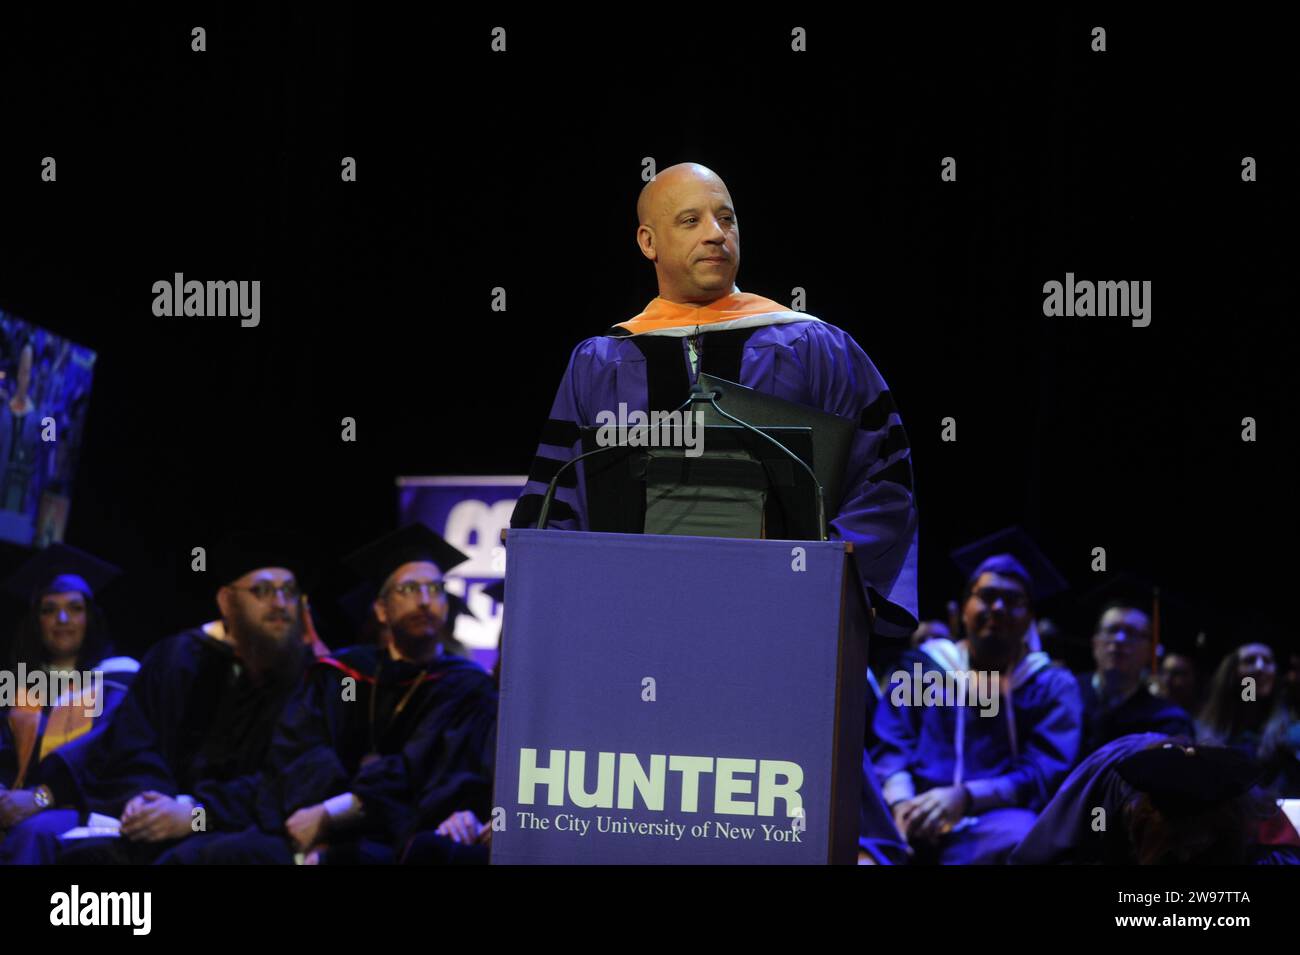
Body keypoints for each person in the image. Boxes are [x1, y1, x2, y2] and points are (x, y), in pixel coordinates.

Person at [510, 162, 919, 637]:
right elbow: (557, 505)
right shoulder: (601, 362)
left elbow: (884, 481)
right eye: (691, 221)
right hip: (631, 623)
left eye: (726, 219)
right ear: (648, 242)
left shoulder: (815, 346)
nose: (716, 234)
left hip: (782, 622)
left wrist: (817, 567)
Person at [167, 524, 498, 865]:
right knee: (206, 857)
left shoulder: (467, 688)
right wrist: (323, 819)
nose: (425, 601)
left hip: (400, 837)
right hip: (312, 827)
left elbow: (435, 776)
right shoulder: (339, 674)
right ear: (382, 610)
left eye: (435, 589)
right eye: (410, 588)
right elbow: (299, 757)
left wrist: (338, 812)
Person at [47, 531, 316, 864]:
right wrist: (147, 800)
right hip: (168, 819)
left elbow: (291, 779)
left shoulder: (312, 680)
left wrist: (191, 813)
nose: (279, 603)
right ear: (226, 602)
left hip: (240, 829)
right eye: (262, 590)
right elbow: (133, 744)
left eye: (289, 592)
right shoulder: (178, 658)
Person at [871, 550, 1082, 863]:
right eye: (986, 596)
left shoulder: (1051, 685)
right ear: (962, 611)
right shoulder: (923, 668)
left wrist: (964, 798)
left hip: (993, 822)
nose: (997, 608)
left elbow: (1043, 772)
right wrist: (902, 804)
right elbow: (892, 744)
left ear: (1029, 620)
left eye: (1012, 600)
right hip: (909, 811)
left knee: (1022, 838)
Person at [0, 545, 138, 863]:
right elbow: (6, 754)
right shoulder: (23, 689)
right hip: (20, 805)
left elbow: (101, 753)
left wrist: (41, 797)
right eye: (49, 610)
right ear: (36, 622)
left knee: (32, 834)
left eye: (75, 608)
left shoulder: (117, 677)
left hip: (87, 807)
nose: (62, 619)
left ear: (91, 617)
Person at [1009, 734, 1300, 865]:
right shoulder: (1104, 792)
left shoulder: (1253, 829)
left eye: (1197, 845)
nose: (1186, 857)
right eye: (1176, 848)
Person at [1075, 602, 1194, 756]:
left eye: (1131, 633)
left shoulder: (1168, 722)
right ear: (1095, 642)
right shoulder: (1065, 695)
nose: (1119, 639)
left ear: (1149, 651)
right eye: (1112, 630)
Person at [1198, 642, 1300, 797]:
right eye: (1250, 660)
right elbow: (1249, 700)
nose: (1260, 667)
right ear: (1231, 671)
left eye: (1267, 661)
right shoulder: (1208, 726)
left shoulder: (1291, 729)